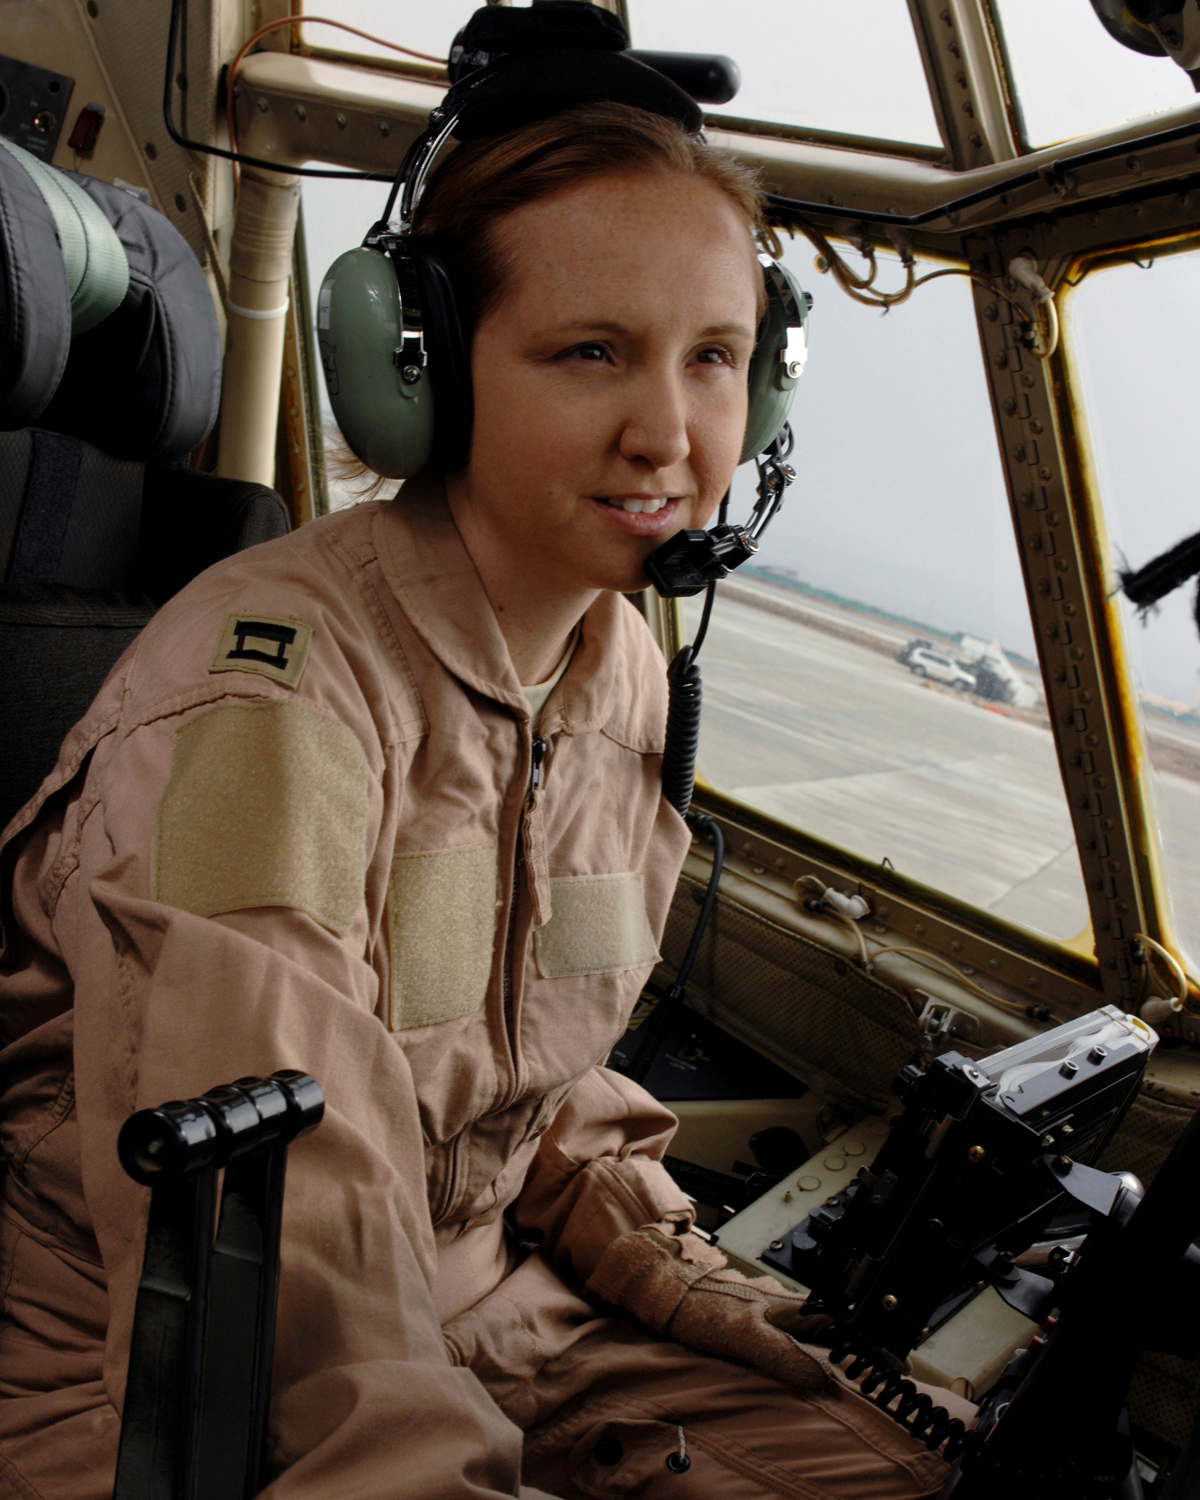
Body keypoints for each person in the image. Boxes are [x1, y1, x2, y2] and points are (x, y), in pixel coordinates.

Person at [0, 101, 967, 1499]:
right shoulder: (270, 702)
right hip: (146, 1356)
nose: (669, 433)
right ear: (429, 377)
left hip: (481, 1291)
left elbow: (526, 1077)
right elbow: (272, 1227)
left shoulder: (619, 668)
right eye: (591, 353)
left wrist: (697, 1286)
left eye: (714, 362)